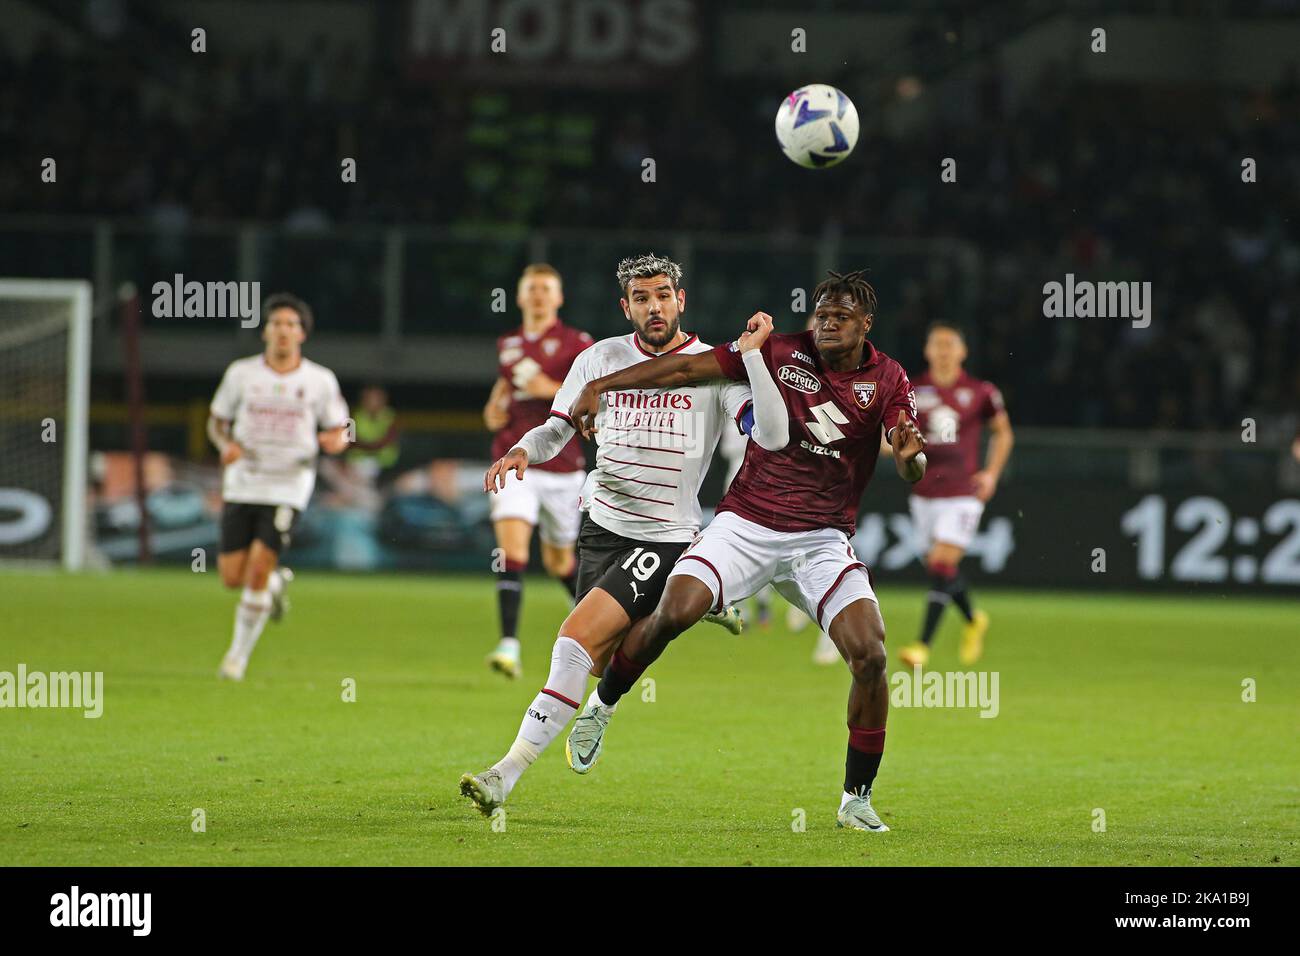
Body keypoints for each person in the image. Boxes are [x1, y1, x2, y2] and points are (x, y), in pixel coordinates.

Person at [564, 270, 927, 831]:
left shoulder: (888, 378)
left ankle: (856, 798)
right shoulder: (779, 351)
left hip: (820, 539)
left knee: (872, 656)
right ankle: (602, 706)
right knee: (675, 612)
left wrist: (910, 459)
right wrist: (601, 385)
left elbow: (910, 460)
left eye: (842, 316)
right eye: (822, 313)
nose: (828, 323)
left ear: (866, 325)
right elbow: (685, 368)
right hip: (747, 524)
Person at [459, 253, 749, 816]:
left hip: (664, 535)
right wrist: (524, 450)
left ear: (681, 300)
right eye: (642, 298)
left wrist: (762, 390)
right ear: (627, 306)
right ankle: (698, 595)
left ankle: (504, 775)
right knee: (598, 660)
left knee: (572, 642)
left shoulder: (712, 366)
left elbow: (752, 424)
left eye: (663, 295)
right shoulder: (597, 359)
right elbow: (557, 429)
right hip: (600, 525)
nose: (655, 306)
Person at [208, 293, 350, 680]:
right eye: (276, 324)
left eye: (291, 324)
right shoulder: (241, 374)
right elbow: (216, 422)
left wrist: (337, 441)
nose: (283, 331)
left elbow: (342, 427)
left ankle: (236, 658)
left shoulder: (319, 380)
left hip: (289, 483)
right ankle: (272, 584)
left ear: (302, 334)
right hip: (243, 481)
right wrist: (226, 446)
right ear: (264, 332)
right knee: (231, 576)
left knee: (255, 569)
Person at [481, 264, 594, 679]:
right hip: (513, 459)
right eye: (533, 289)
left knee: (560, 559)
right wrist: (492, 411)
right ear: (520, 297)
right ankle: (508, 645)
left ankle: (587, 623)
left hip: (562, 466)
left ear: (559, 298)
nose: (540, 296)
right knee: (513, 550)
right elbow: (500, 396)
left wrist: (545, 384)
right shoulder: (507, 343)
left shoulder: (578, 344)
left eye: (547, 289)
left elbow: (586, 397)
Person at [897, 323, 1013, 668]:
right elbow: (892, 438)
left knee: (942, 564)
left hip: (964, 493)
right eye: (937, 344)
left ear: (963, 352)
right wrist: (896, 449)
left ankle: (921, 646)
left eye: (951, 344)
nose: (944, 350)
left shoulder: (980, 392)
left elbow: (1003, 434)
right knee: (940, 571)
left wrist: (991, 473)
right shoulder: (912, 390)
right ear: (927, 351)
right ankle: (974, 619)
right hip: (924, 493)